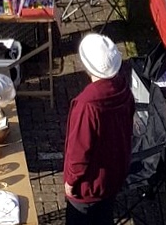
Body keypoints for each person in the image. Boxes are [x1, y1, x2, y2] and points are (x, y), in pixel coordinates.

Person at [62, 33, 135, 225]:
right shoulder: (123, 89)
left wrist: (71, 181)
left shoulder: (87, 104)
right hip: (112, 179)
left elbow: (79, 152)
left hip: (88, 188)